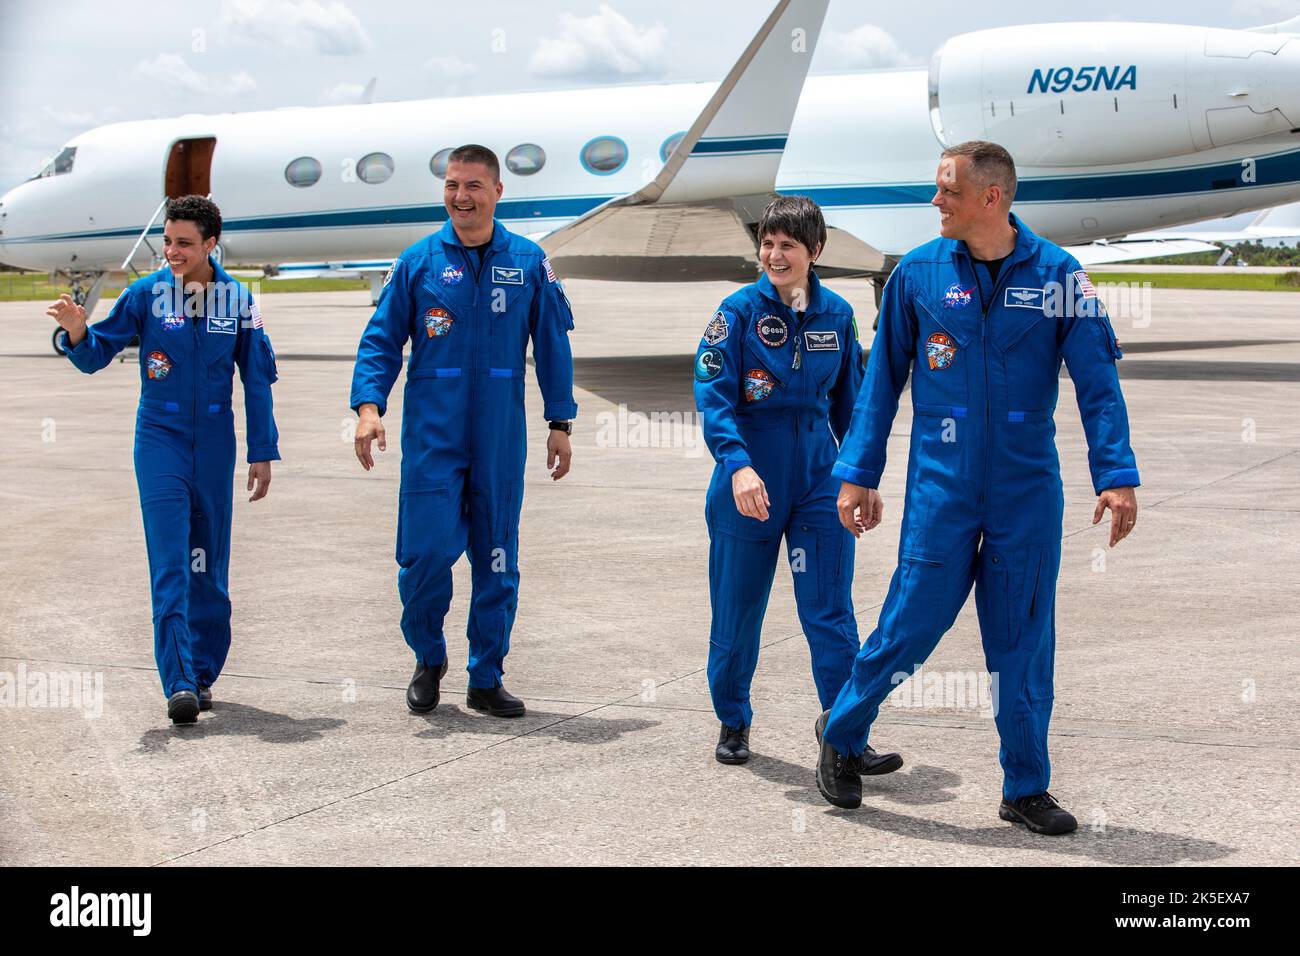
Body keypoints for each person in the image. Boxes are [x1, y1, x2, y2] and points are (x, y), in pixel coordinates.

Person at [814, 142, 1140, 834]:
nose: (935, 202)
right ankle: (841, 734)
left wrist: (1116, 478)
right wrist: (857, 475)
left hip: (1025, 489)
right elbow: (882, 384)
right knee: (909, 625)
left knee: (1023, 641)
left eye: (947, 191)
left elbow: (1098, 387)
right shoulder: (918, 275)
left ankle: (1025, 786)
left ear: (991, 197)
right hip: (942, 486)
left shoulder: (1059, 276)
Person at [350, 144, 576, 718]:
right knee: (424, 555)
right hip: (433, 438)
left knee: (498, 559)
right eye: (452, 185)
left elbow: (553, 344)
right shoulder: (417, 262)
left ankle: (485, 676)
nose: (461, 196)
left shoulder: (529, 262)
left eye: (473, 185)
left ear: (498, 192)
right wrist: (368, 406)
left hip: (500, 437)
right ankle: (429, 659)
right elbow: (381, 340)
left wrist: (559, 421)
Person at [47, 195, 280, 725]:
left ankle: (201, 672)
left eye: (184, 243)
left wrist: (263, 452)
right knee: (171, 560)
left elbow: (258, 380)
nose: (172, 252)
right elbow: (96, 352)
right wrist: (79, 330)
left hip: (216, 439)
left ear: (210, 245)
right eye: (167, 242)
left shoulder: (238, 300)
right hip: (160, 436)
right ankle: (177, 681)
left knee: (209, 563)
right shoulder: (146, 295)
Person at [693, 195, 897, 770]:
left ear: (815, 251)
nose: (775, 255)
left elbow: (852, 407)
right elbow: (713, 397)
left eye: (788, 245)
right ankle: (733, 720)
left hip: (816, 481)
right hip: (749, 482)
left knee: (830, 612)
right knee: (738, 613)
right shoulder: (734, 313)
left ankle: (845, 731)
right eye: (768, 244)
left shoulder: (837, 314)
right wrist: (737, 466)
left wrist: (862, 476)